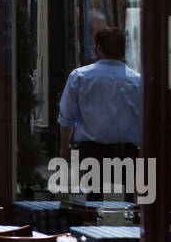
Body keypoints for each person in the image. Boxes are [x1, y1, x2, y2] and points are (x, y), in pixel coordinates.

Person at [58, 25, 141, 163]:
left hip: (91, 152)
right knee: (127, 184)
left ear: (98, 48)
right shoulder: (137, 80)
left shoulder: (79, 77)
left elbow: (67, 116)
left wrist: (64, 146)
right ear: (123, 50)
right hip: (127, 153)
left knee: (94, 185)